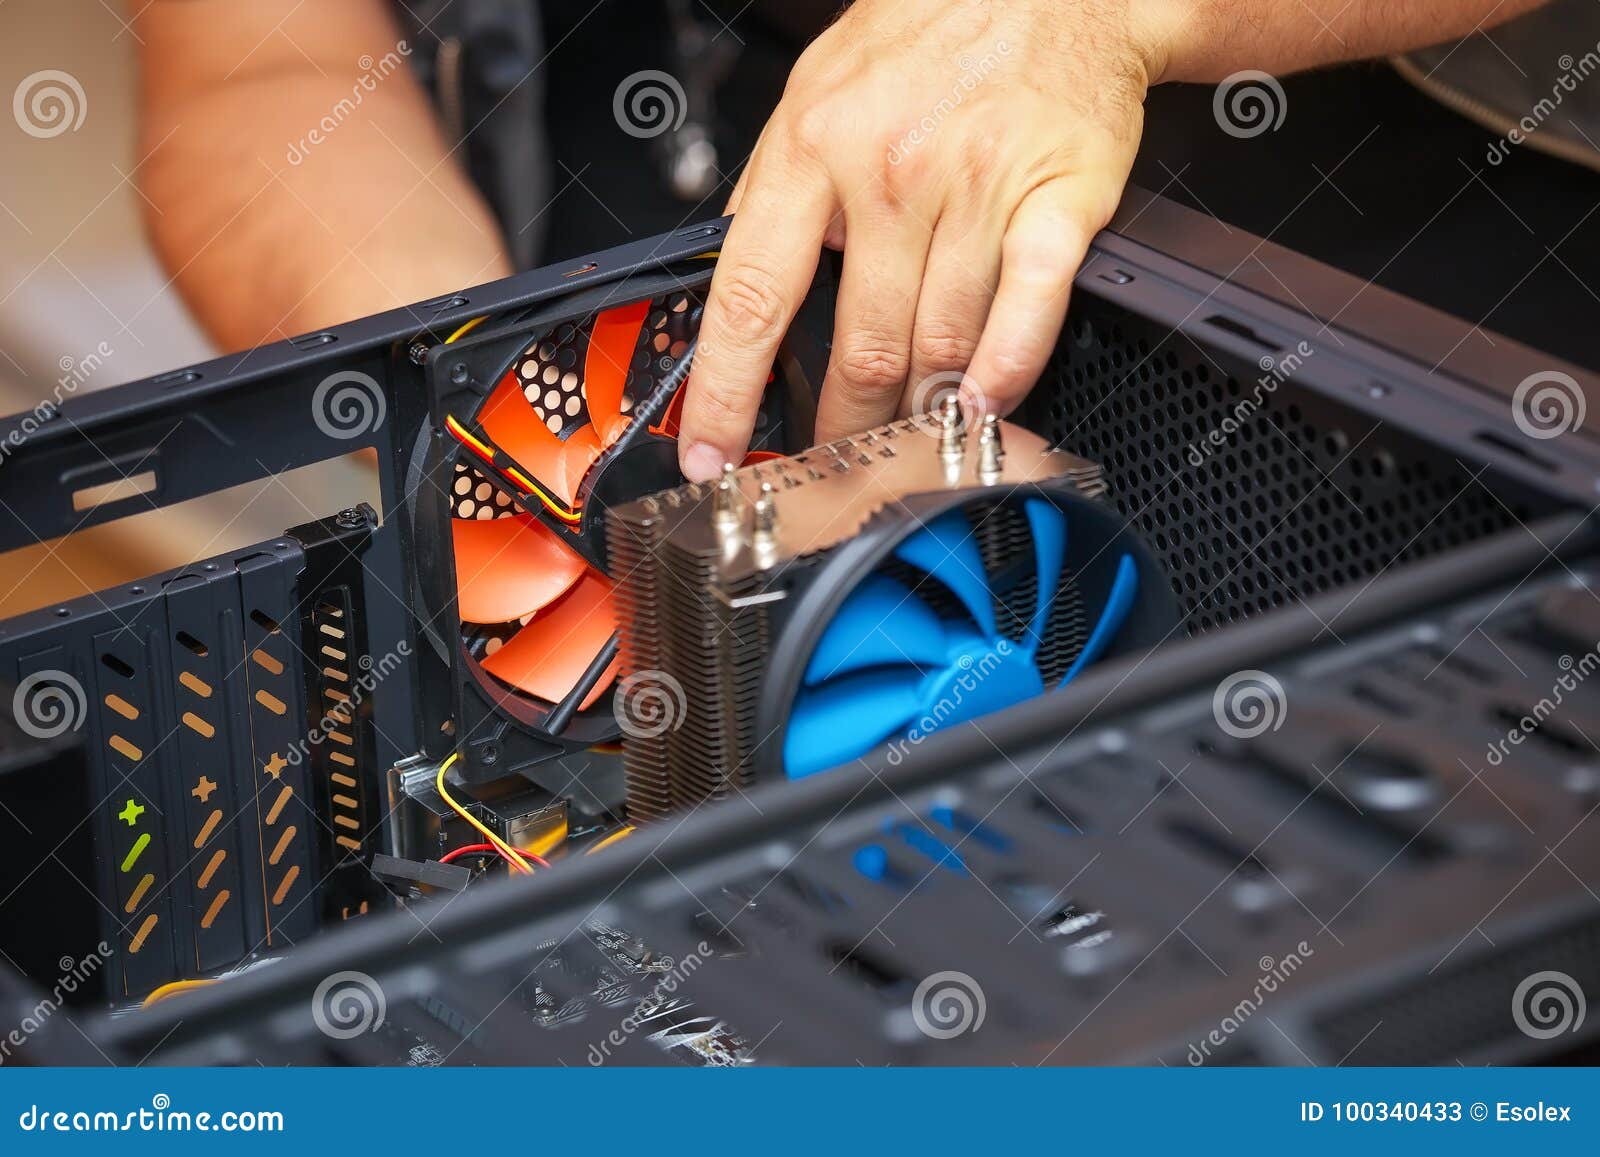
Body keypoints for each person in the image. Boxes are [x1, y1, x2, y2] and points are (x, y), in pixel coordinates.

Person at [137, 0, 1568, 483]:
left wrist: (1095, 18)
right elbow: (262, 75)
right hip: (654, 220)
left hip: (1362, 317)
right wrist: (506, 414)